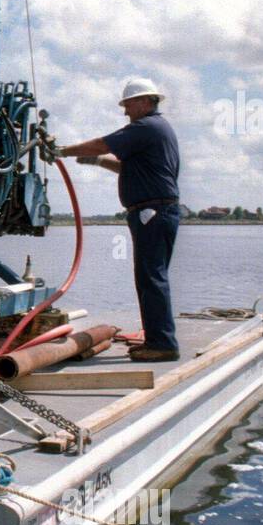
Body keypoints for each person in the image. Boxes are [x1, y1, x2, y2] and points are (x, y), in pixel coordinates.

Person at [59, 78, 182, 362]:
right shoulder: (157, 131)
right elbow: (130, 168)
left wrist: (64, 151)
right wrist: (99, 162)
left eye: (127, 104)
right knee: (150, 277)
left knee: (151, 277)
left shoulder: (146, 127)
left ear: (144, 102)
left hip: (152, 212)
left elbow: (103, 143)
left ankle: (163, 344)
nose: (125, 111)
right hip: (155, 211)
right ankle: (157, 339)